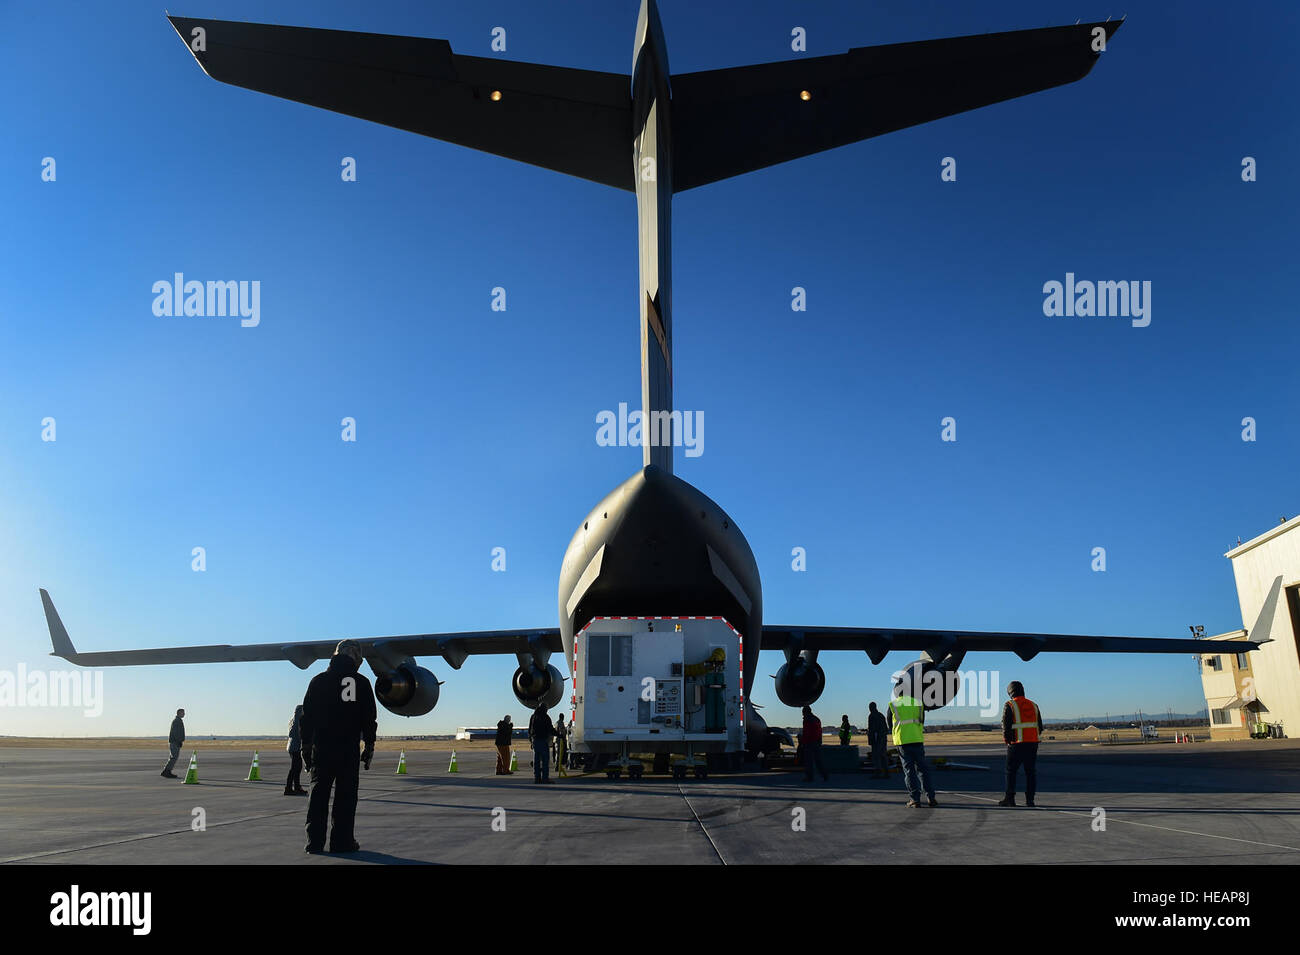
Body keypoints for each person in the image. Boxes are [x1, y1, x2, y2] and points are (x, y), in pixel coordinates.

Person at [300, 639, 377, 853]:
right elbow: (368, 718)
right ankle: (342, 842)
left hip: (322, 748)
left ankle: (314, 842)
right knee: (345, 797)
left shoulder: (319, 680)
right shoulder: (360, 683)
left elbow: (306, 718)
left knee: (318, 796)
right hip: (347, 749)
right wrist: (369, 746)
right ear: (357, 658)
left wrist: (306, 747)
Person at [888, 676, 936, 807]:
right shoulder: (918, 703)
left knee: (909, 771)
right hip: (917, 739)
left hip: (902, 741)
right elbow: (921, 721)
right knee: (923, 769)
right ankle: (931, 798)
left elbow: (889, 724)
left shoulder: (893, 704)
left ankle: (915, 799)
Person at [998, 681, 1044, 808]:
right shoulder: (1034, 705)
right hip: (1033, 744)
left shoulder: (1010, 705)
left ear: (1010, 692)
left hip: (1016, 744)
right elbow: (1040, 726)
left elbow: (1006, 726)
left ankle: (1010, 799)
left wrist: (1007, 741)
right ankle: (1030, 800)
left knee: (1011, 772)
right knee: (1030, 772)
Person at [801, 705, 829, 782]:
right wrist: (820, 741)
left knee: (808, 761)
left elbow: (806, 732)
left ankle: (809, 777)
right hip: (817, 742)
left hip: (809, 742)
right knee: (818, 760)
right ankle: (824, 775)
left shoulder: (807, 719)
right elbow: (820, 731)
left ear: (805, 712)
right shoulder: (817, 719)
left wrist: (803, 742)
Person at [528, 705, 555, 783]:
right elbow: (550, 729)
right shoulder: (546, 717)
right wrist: (559, 735)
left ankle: (537, 778)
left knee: (536, 761)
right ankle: (545, 778)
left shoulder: (533, 717)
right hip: (543, 740)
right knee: (545, 761)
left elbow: (530, 729)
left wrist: (531, 740)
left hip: (535, 741)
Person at [284, 704, 307, 795]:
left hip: (293, 747)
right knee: (294, 768)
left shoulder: (293, 721)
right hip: (295, 747)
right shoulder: (298, 721)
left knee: (297, 768)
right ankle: (288, 788)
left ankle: (296, 787)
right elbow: (298, 734)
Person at [161, 708, 186, 778]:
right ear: (179, 713)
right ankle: (166, 771)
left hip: (175, 742)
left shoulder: (178, 720)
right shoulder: (177, 721)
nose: (184, 714)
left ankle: (166, 771)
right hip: (174, 742)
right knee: (174, 757)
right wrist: (179, 741)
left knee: (173, 757)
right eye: (183, 713)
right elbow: (175, 733)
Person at [867, 701, 889, 778]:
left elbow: (872, 729)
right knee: (883, 755)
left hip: (877, 739)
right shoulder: (881, 715)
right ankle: (886, 772)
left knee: (876, 756)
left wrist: (871, 740)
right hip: (883, 738)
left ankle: (878, 772)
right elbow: (886, 728)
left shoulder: (872, 716)